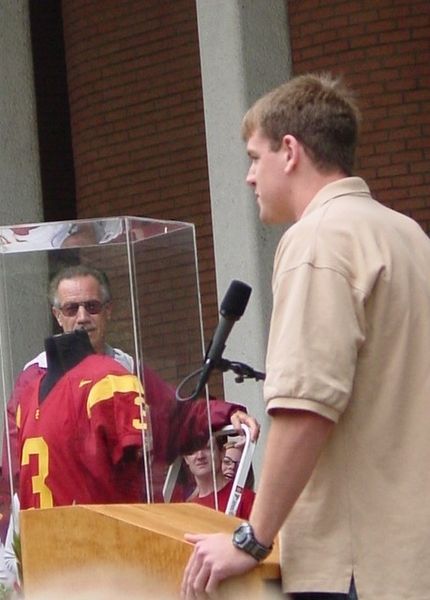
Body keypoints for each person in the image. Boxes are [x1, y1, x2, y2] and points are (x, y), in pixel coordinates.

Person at [181, 72, 430, 600]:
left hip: (351, 565)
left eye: (254, 156)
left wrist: (252, 538)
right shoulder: (407, 235)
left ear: (289, 150)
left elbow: (306, 408)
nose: (249, 176)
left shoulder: (317, 239)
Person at [4, 265, 259, 508]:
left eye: (92, 307)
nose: (82, 318)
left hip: (118, 524)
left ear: (108, 310)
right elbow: (13, 467)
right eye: (71, 309)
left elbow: (174, 415)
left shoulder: (126, 369)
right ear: (57, 315)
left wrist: (224, 413)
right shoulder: (33, 379)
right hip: (58, 525)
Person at [184, 436, 255, 519]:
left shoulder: (245, 499)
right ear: (186, 459)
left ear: (222, 453)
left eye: (208, 448)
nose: (200, 456)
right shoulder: (187, 507)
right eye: (193, 450)